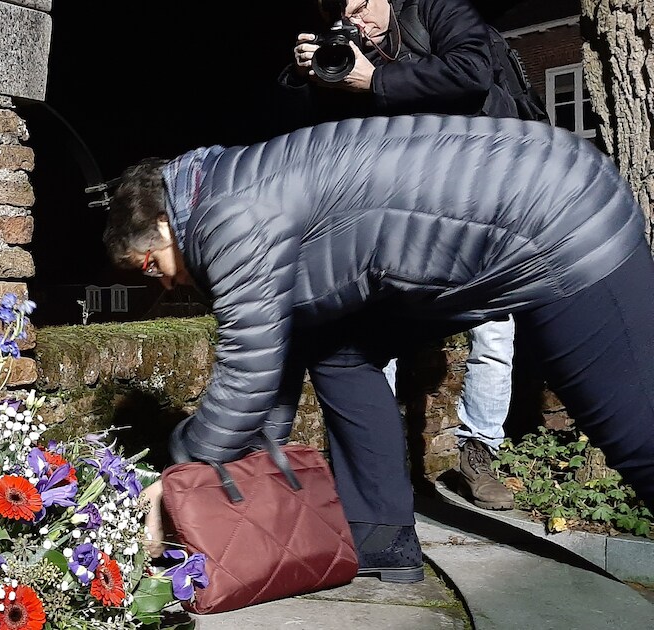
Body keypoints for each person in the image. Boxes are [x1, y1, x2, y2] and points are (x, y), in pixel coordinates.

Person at [114, 115, 654, 584]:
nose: (163, 284)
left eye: (148, 266)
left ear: (165, 222)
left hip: (562, 214)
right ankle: (382, 539)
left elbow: (248, 371)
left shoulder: (229, 216)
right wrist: (254, 472)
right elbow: (279, 355)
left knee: (639, 437)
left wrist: (180, 470)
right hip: (517, 212)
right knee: (338, 349)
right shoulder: (228, 188)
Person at [281, 0, 542, 509]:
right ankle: (379, 464)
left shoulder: (438, 9)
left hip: (478, 191)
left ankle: (478, 450)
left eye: (362, 4)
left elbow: (472, 70)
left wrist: (374, 80)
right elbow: (303, 126)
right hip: (398, 204)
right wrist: (303, 74)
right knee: (374, 329)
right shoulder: (348, 45)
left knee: (493, 327)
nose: (357, 17)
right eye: (345, 10)